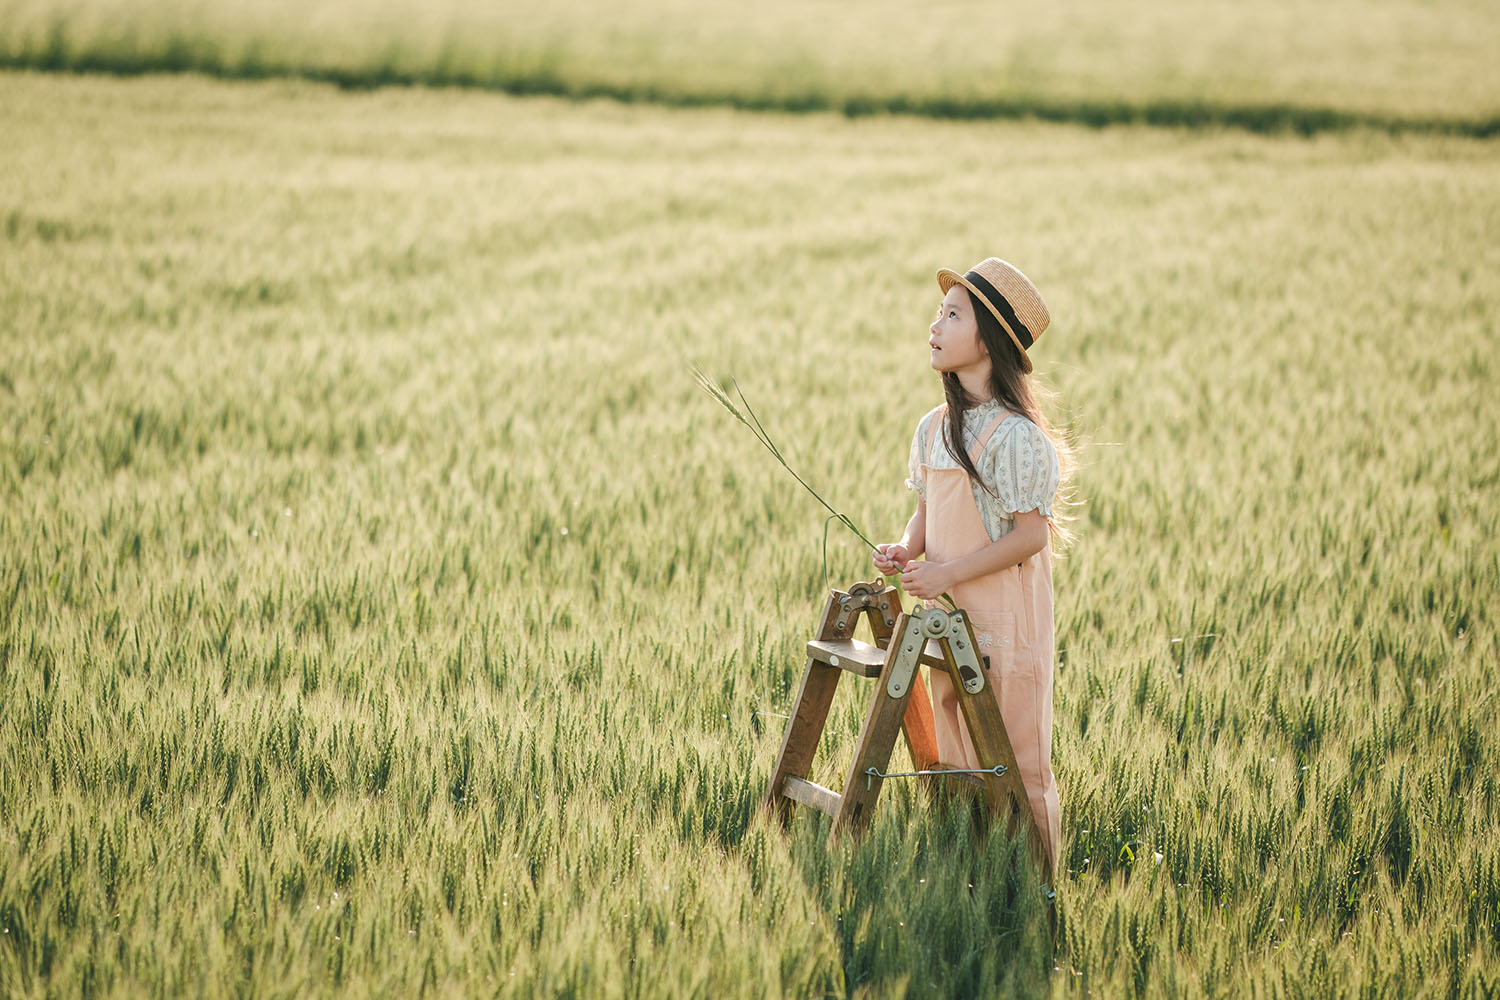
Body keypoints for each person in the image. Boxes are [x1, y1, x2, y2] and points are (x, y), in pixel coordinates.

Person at [872, 256, 1070, 874]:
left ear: (988, 339)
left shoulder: (1018, 439)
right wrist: (907, 550)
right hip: (949, 620)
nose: (935, 323)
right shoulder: (934, 428)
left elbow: (1031, 538)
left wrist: (948, 575)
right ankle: (971, 879)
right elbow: (928, 516)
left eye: (952, 314)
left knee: (1013, 757)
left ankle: (1035, 891)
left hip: (1003, 625)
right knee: (958, 751)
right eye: (938, 311)